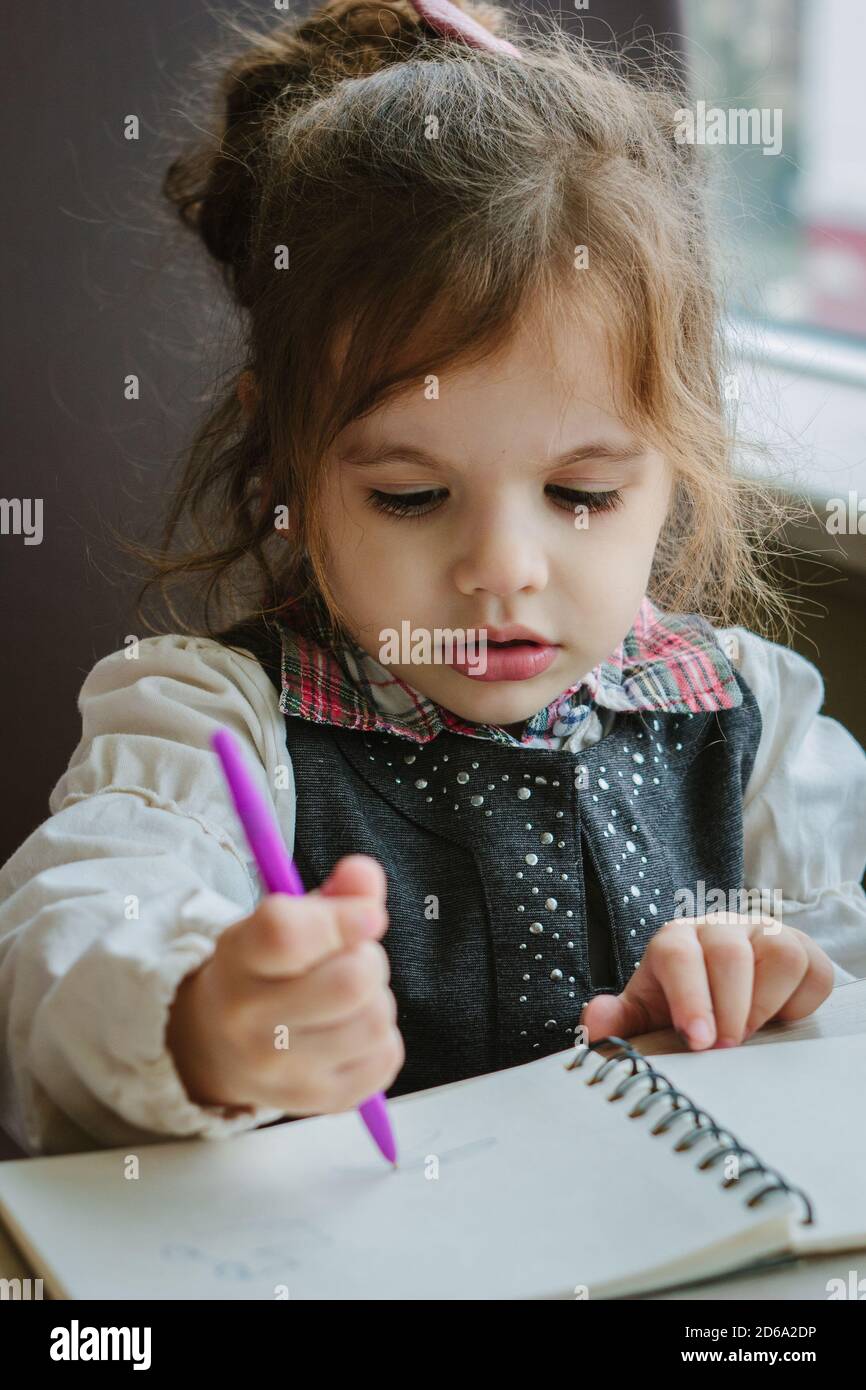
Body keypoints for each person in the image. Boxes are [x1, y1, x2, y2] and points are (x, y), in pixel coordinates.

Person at [1, 0, 864, 1155]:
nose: (501, 570)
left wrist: (776, 991)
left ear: (678, 457)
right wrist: (204, 1019)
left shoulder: (756, 729)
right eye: (409, 496)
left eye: (582, 495)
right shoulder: (209, 727)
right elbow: (64, 946)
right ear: (290, 465)